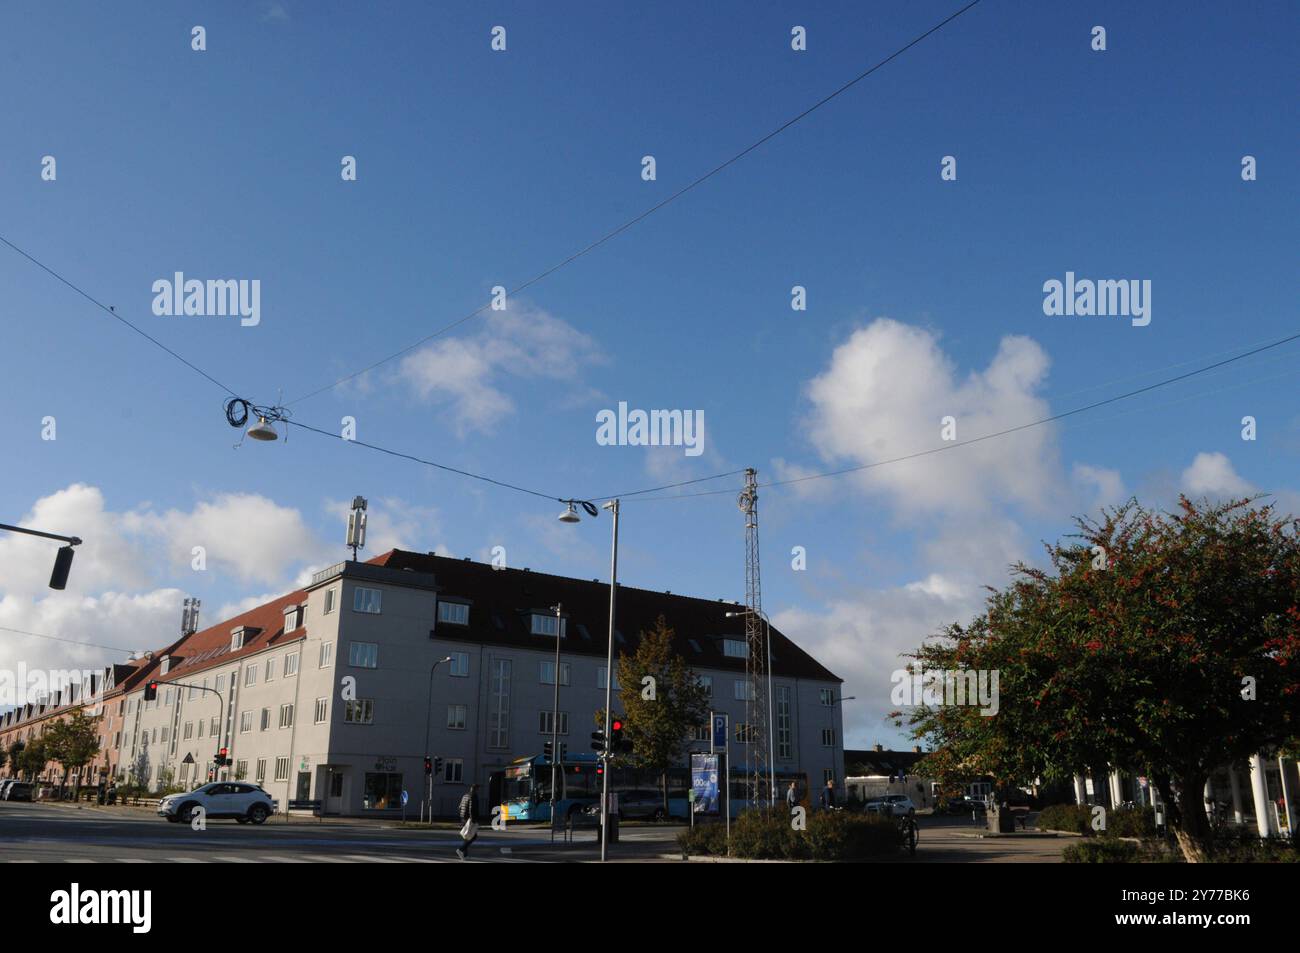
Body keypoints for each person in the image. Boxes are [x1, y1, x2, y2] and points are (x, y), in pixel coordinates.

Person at [456, 784, 481, 860]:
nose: (478, 790)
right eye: (478, 789)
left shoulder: (465, 795)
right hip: (470, 818)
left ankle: (465, 854)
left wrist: (462, 816)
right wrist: (473, 820)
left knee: (467, 835)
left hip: (463, 817)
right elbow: (472, 808)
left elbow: (460, 807)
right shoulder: (473, 796)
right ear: (476, 789)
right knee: (473, 836)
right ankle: (461, 849)